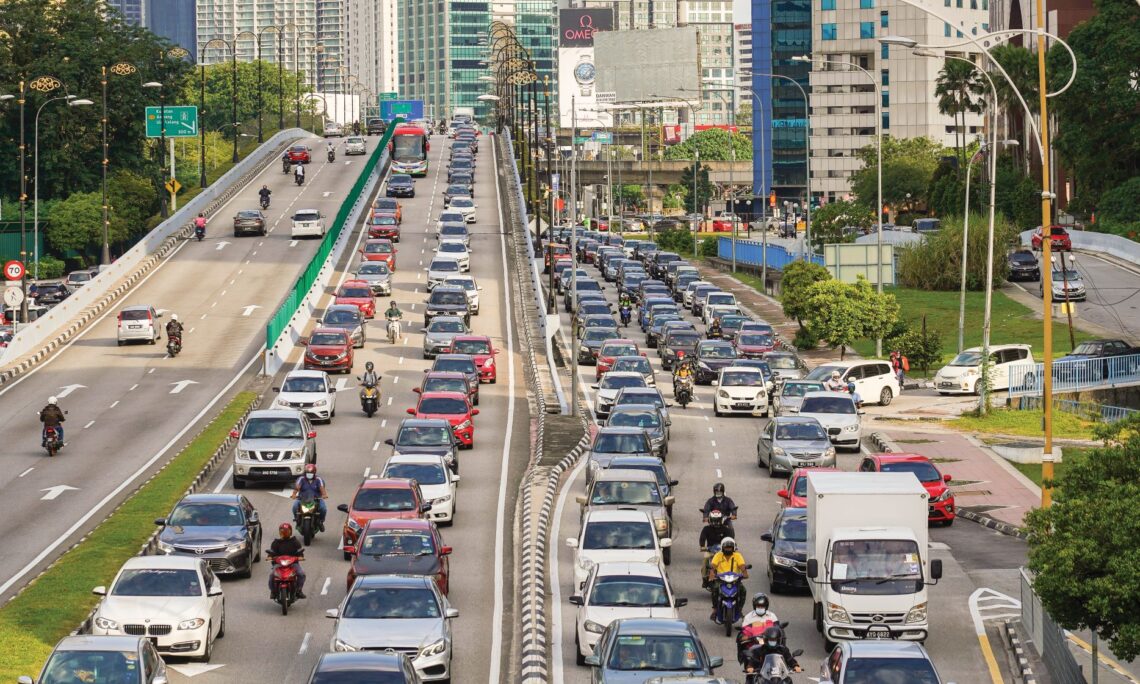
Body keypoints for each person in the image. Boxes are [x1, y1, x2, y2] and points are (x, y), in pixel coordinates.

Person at [706, 536, 748, 619]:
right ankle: (715, 609)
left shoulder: (738, 556)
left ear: (733, 548)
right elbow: (713, 567)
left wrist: (744, 573)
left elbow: (742, 566)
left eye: (730, 548)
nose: (728, 549)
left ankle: (739, 609)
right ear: (722, 547)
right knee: (715, 589)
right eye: (726, 547)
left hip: (735, 580)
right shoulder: (718, 555)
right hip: (721, 580)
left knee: (743, 590)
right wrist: (712, 574)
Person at [267, 522, 306, 599]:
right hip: (279, 564)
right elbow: (271, 553)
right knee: (272, 575)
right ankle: (273, 592)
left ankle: (299, 590)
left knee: (301, 574)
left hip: (293, 563)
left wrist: (300, 557)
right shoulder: (276, 543)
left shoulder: (295, 542)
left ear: (290, 532)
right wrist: (270, 557)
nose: (284, 533)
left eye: (286, 531)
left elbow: (300, 552)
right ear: (279, 532)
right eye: (282, 531)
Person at [698, 509, 734, 588]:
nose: (716, 522)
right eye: (714, 520)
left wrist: (732, 546)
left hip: (723, 550)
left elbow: (731, 538)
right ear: (710, 520)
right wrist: (702, 546)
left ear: (721, 520)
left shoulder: (726, 529)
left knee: (733, 559)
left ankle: (734, 577)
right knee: (705, 559)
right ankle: (704, 578)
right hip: (710, 550)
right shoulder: (706, 529)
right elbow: (702, 538)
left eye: (717, 520)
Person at [291, 463, 328, 531]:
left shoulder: (318, 479)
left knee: (323, 509)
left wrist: (324, 495)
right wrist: (294, 494)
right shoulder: (301, 479)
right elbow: (297, 487)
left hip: (316, 499)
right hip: (302, 499)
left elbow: (322, 488)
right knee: (295, 507)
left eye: (311, 473)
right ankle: (297, 520)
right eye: (308, 473)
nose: (309, 474)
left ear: (314, 473)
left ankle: (321, 521)